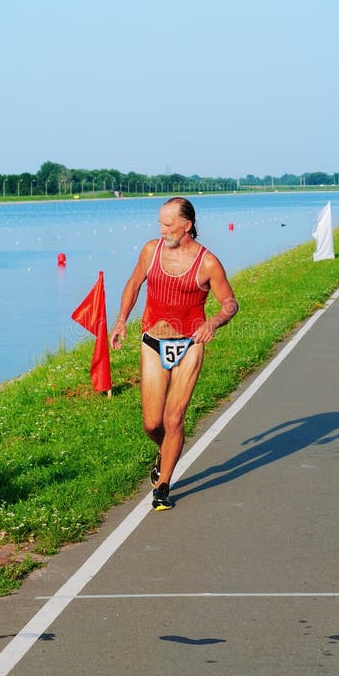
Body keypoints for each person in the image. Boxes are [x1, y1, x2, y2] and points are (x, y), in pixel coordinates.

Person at [110, 197, 239, 511]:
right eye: (160, 223)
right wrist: (121, 320)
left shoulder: (207, 263)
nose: (161, 229)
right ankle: (165, 450)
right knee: (152, 424)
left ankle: (163, 486)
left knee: (174, 419)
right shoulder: (150, 251)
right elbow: (133, 283)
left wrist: (214, 321)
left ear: (187, 225)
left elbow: (230, 303)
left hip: (189, 344)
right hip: (153, 342)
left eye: (168, 224)